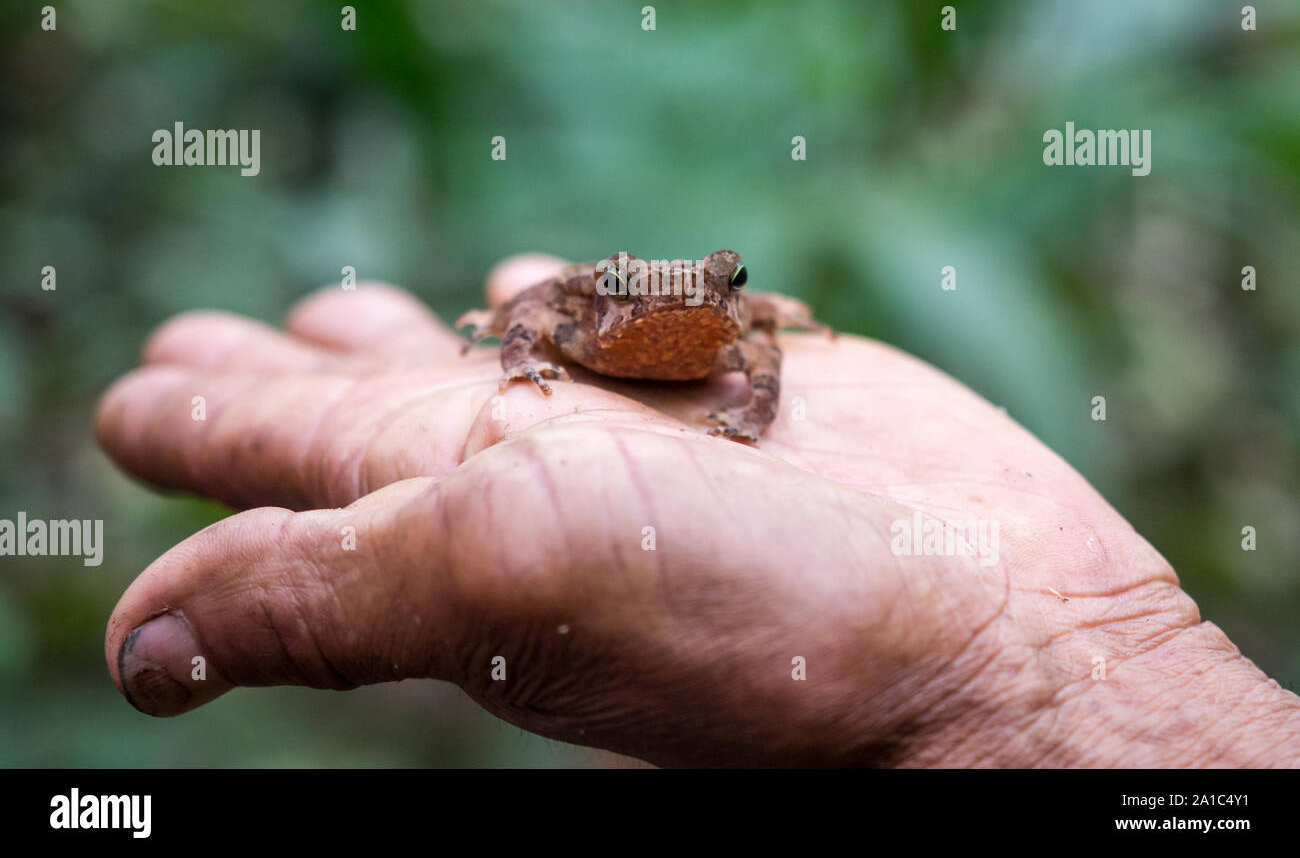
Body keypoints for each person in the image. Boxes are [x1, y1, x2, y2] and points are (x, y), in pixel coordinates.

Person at [97, 254, 1300, 767]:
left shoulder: (731, 332)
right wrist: (519, 358)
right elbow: (533, 310)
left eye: (722, 291)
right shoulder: (590, 314)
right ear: (612, 300)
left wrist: (740, 417)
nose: (705, 311)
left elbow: (760, 361)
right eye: (655, 292)